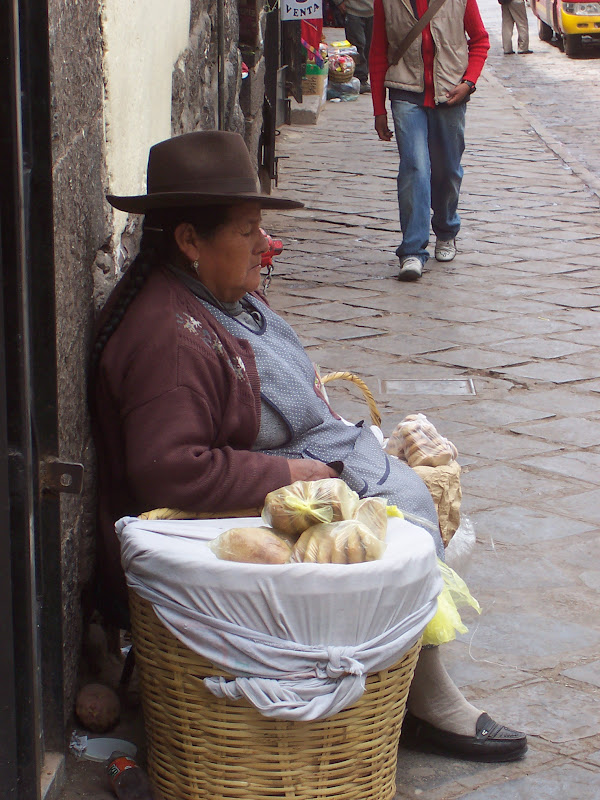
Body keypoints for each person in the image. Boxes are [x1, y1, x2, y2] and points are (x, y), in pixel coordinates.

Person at [89, 130, 527, 763]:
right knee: (397, 517)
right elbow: (169, 470)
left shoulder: (208, 294)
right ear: (188, 240)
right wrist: (304, 470)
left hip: (320, 456)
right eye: (246, 231)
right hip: (266, 494)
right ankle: (426, 698)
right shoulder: (170, 341)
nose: (265, 244)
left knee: (404, 494)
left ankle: (405, 681)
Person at [369, 0, 490, 281]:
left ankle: (446, 230)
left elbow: (480, 41)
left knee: (447, 170)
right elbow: (377, 52)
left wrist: (469, 82)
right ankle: (412, 250)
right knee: (415, 168)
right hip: (405, 92)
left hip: (451, 94)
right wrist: (378, 109)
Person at [333, 0, 375, 93]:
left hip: (373, 11)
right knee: (358, 46)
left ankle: (362, 78)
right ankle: (359, 78)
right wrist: (339, 2)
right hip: (353, 10)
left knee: (370, 46)